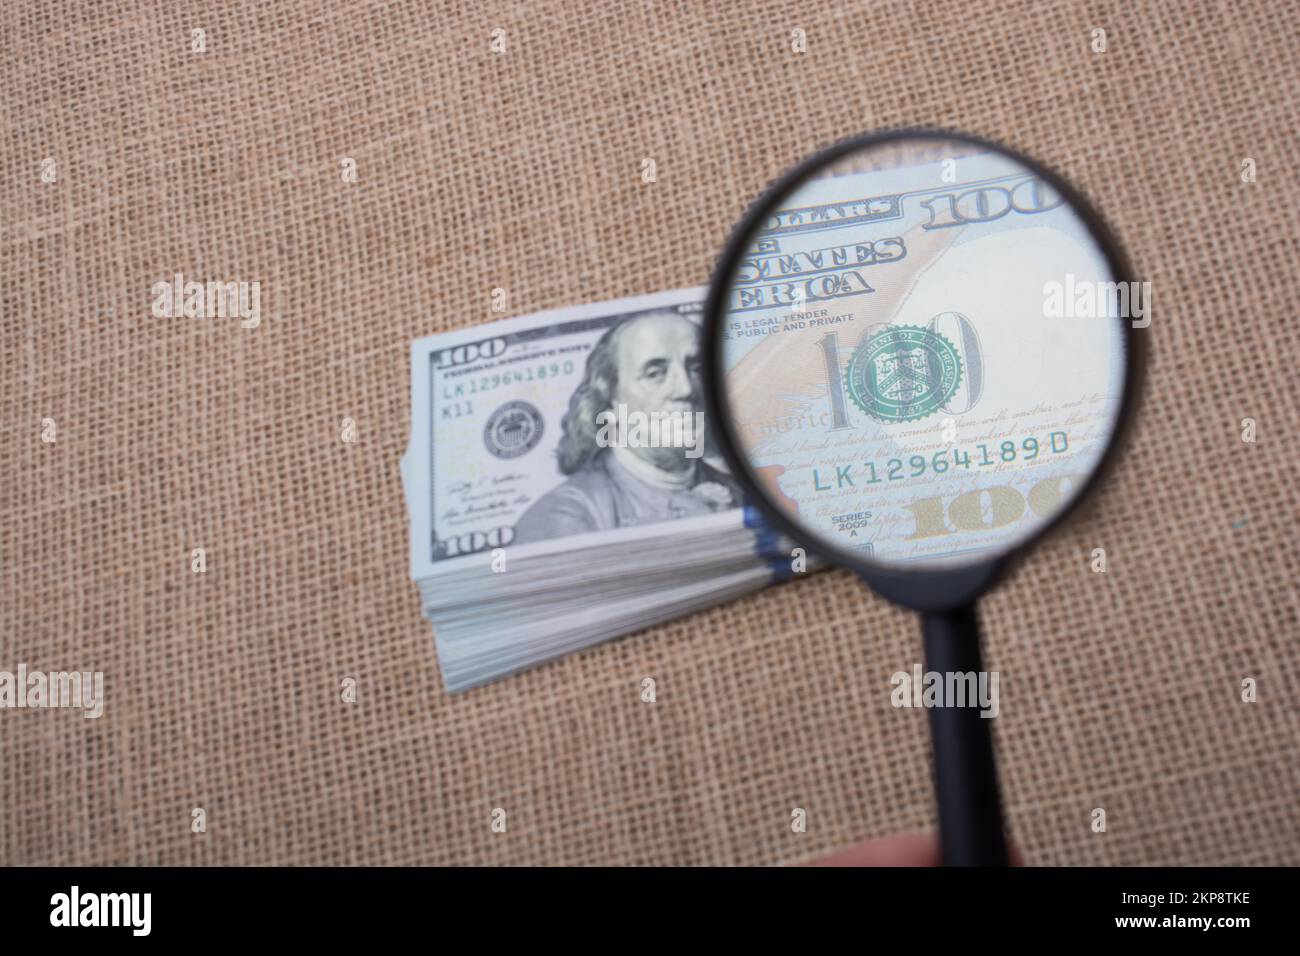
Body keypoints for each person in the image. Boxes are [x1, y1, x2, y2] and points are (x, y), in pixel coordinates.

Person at [514, 311, 742, 544]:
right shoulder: (565, 517)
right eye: (654, 373)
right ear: (609, 397)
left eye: (696, 368)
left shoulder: (743, 494)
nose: (685, 388)